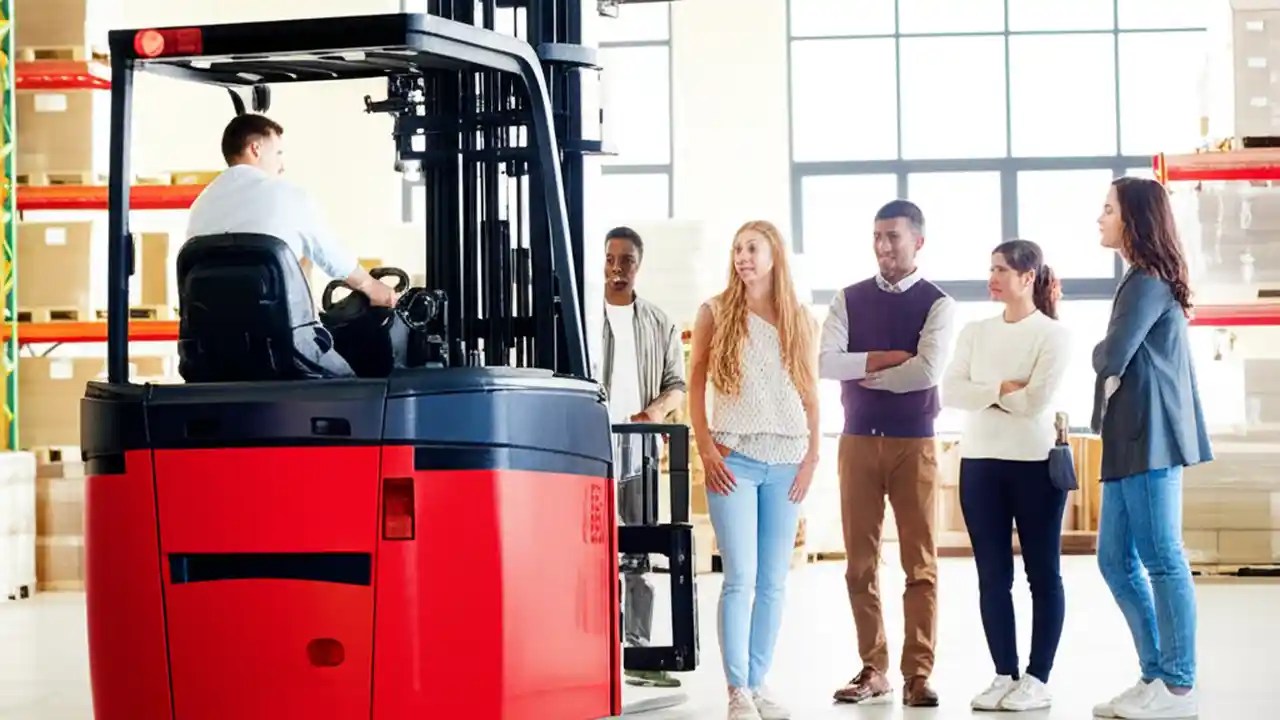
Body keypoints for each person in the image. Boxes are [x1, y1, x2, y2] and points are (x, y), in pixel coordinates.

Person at [820, 199, 954, 708]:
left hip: (914, 443)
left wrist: (864, 370)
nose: (882, 245)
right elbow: (826, 363)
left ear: (918, 241)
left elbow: (926, 372)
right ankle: (873, 668)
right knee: (859, 563)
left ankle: (918, 673)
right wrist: (886, 360)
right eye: (877, 235)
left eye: (893, 236)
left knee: (920, 564)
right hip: (856, 440)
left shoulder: (938, 302)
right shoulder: (847, 299)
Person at [1090, 177, 1212, 720]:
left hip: (1151, 435)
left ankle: (1178, 684)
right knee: (1115, 560)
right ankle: (1155, 673)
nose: (1099, 218)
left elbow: (1110, 357)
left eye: (1108, 209)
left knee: (1162, 558)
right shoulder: (1139, 280)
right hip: (1126, 436)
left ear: (1134, 219)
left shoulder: (1147, 282)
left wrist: (1100, 350)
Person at [688, 220, 819, 720]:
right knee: (739, 576)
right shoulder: (715, 312)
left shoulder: (799, 318)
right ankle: (737, 690)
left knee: (773, 582)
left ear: (774, 255)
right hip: (733, 461)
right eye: (737, 249)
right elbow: (696, 383)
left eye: (752, 248)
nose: (743, 257)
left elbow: (810, 392)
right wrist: (706, 450)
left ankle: (759, 681)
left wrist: (811, 457)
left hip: (787, 462)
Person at [940, 239, 1071, 712]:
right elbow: (949, 391)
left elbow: (1035, 402)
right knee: (992, 577)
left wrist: (985, 393)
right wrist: (1001, 388)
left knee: (1043, 575)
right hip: (979, 465)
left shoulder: (1053, 335)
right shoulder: (975, 332)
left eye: (1001, 270)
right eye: (990, 268)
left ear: (1028, 277)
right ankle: (1003, 673)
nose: (992, 277)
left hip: (1035, 467)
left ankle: (1038, 676)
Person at [186, 113, 396, 308]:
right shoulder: (288, 195)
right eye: (278, 153)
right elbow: (331, 255)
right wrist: (370, 286)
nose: (282, 166)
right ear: (255, 148)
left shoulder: (201, 205)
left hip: (210, 341)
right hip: (276, 340)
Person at [600, 226, 687, 689]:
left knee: (638, 551)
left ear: (639, 264)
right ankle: (592, 645)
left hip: (640, 448)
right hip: (588, 448)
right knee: (590, 551)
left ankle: (637, 651)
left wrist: (652, 412)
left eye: (627, 260)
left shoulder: (658, 322)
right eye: (611, 259)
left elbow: (677, 383)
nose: (618, 268)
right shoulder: (581, 318)